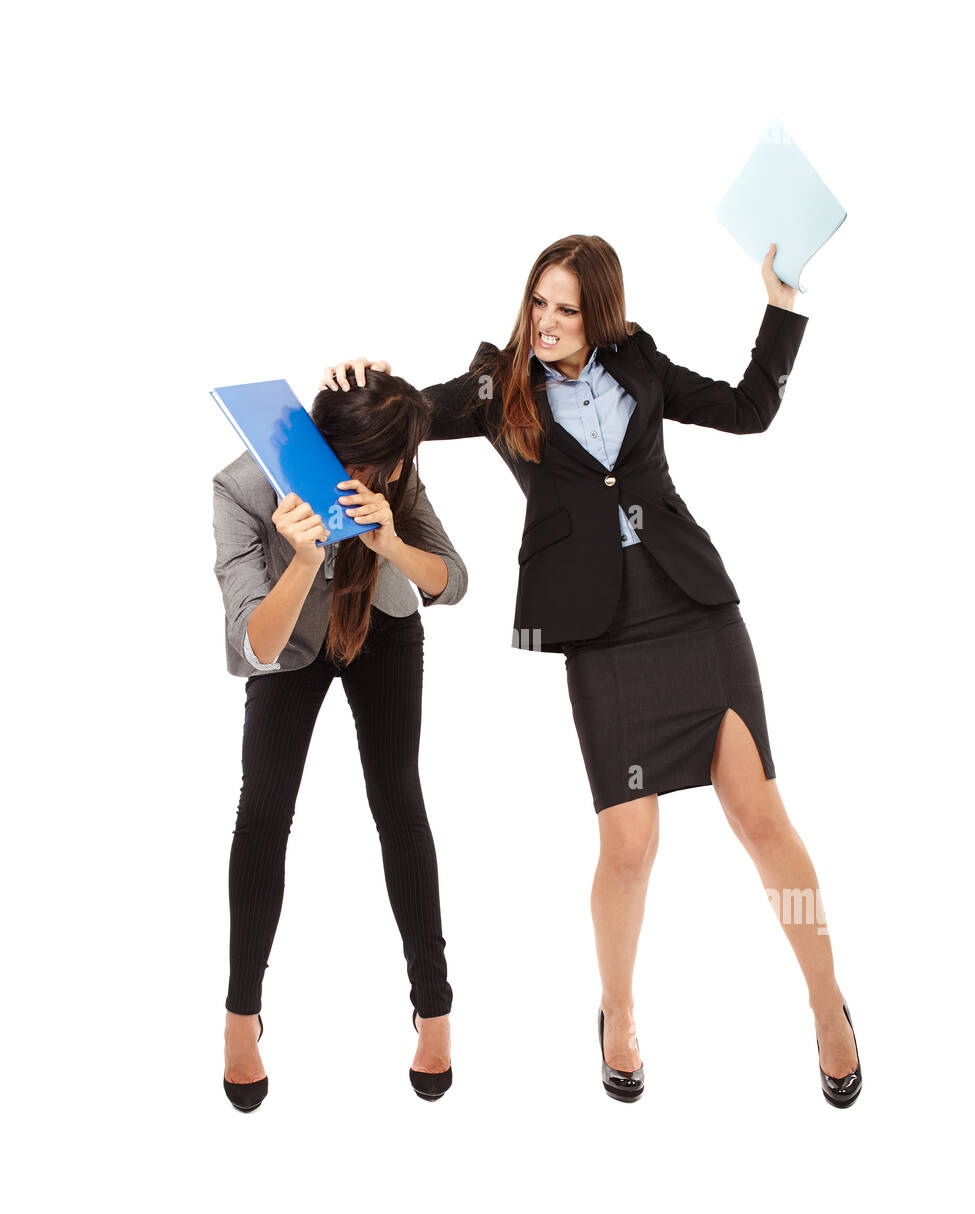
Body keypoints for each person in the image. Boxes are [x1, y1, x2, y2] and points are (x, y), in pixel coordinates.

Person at [321, 234, 862, 1109]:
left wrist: (782, 300)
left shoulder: (637, 361)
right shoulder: (500, 388)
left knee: (764, 822)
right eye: (539, 303)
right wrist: (361, 386)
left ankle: (824, 1000)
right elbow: (408, 415)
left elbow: (748, 407)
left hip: (693, 610)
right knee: (627, 847)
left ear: (599, 312)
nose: (547, 323)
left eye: (567, 309)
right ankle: (616, 1011)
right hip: (601, 633)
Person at [212, 370, 463, 1110]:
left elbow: (453, 581)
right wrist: (304, 558)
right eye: (361, 464)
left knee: (398, 801)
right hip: (288, 642)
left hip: (382, 629)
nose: (373, 479)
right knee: (262, 813)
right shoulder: (239, 488)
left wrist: (389, 540)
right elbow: (253, 643)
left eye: (384, 469)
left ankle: (433, 1003)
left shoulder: (391, 473)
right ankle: (240, 1013)